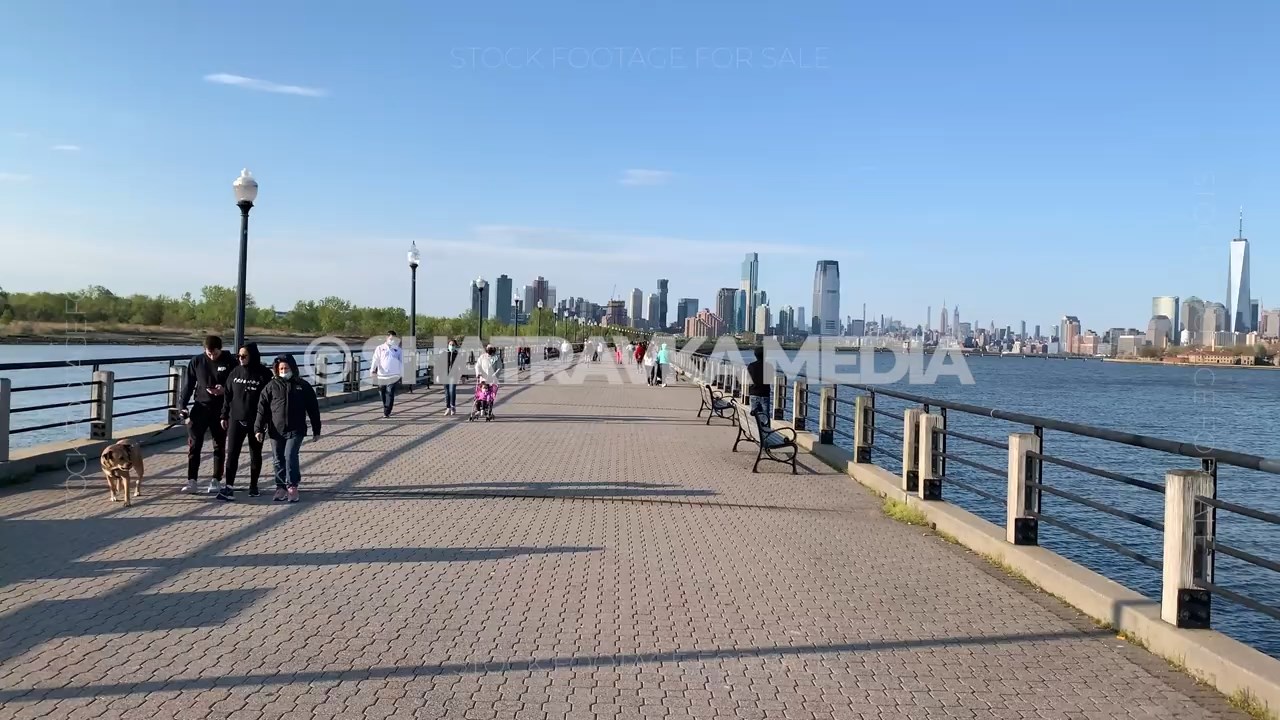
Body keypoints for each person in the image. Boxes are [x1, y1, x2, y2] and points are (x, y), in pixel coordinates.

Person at [255, 354, 321, 503]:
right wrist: (258, 428)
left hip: (296, 429)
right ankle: (280, 487)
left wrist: (316, 430)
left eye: (287, 368)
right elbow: (262, 408)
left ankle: (292, 486)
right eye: (281, 369)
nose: (284, 370)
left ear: (293, 368)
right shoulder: (271, 386)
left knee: (290, 456)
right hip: (276, 430)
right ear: (277, 370)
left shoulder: (303, 385)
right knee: (278, 459)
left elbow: (313, 409)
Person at [178, 335, 234, 494]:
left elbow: (235, 383)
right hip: (200, 407)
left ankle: (216, 479)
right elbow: (188, 386)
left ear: (220, 349)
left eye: (215, 354)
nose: (212, 356)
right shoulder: (196, 361)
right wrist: (182, 406)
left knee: (219, 444)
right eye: (209, 354)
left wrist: (224, 389)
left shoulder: (230, 361)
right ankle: (192, 481)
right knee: (194, 445)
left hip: (221, 408)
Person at [218, 342, 271, 500]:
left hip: (256, 421)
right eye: (238, 356)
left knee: (255, 454)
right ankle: (228, 487)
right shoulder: (235, 372)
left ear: (252, 356)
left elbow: (269, 400)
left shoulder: (264, 374)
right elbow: (227, 395)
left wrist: (264, 422)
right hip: (236, 419)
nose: (240, 359)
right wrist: (223, 415)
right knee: (232, 454)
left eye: (244, 356)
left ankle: (253, 486)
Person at [370, 330, 404, 418]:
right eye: (391, 338)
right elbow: (375, 359)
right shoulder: (380, 348)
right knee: (382, 392)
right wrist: (373, 370)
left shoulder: (398, 350)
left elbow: (401, 362)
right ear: (387, 338)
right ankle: (385, 405)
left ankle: (387, 411)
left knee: (390, 392)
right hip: (382, 374)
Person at [474, 345, 501, 419]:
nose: (489, 350)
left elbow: (499, 368)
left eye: (491, 348)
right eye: (488, 348)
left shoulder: (496, 358)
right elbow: (477, 366)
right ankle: (480, 409)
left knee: (490, 396)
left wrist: (494, 375)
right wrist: (478, 373)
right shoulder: (482, 357)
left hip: (492, 380)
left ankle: (489, 410)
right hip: (483, 380)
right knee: (482, 395)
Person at [746, 346, 772, 419]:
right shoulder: (769, 366)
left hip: (754, 393)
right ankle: (765, 429)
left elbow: (749, 379)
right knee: (765, 416)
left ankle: (757, 429)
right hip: (765, 393)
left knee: (755, 415)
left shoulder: (751, 366)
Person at [442, 339, 460, 415]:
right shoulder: (444, 353)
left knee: (452, 391)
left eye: (453, 345)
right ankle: (448, 407)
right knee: (446, 392)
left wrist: (464, 376)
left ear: (455, 346)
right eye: (450, 344)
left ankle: (453, 407)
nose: (451, 346)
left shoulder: (458, 354)